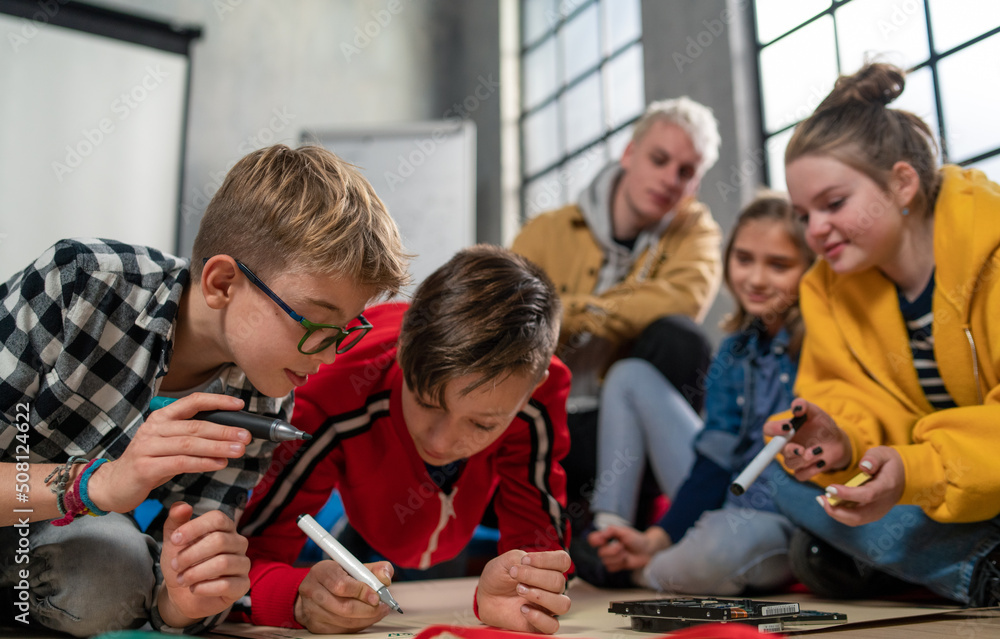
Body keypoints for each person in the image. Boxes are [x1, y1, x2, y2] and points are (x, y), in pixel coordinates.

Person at [0, 144, 409, 636]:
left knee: (111, 577)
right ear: (220, 283)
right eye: (315, 322)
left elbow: (166, 590)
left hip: (43, 549)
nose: (327, 355)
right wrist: (97, 484)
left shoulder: (263, 396)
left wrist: (186, 596)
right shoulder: (83, 284)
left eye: (345, 329)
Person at [760, 62, 1000, 607]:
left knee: (825, 546)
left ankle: (944, 564)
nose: (814, 230)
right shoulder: (827, 287)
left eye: (834, 203)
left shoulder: (993, 250)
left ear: (901, 183)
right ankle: (980, 564)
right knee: (789, 479)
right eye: (803, 214)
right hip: (950, 489)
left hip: (974, 479)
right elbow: (849, 397)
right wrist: (839, 442)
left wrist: (921, 468)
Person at [238, 245, 573, 635]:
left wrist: (526, 591)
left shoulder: (536, 394)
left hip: (447, 529)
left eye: (483, 425)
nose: (443, 443)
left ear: (533, 389)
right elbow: (248, 558)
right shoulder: (333, 389)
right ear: (402, 351)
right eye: (428, 403)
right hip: (370, 522)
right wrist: (295, 597)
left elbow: (539, 549)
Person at [577, 192, 815, 595]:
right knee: (629, 375)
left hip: (780, 518)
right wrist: (655, 537)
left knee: (719, 545)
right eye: (743, 260)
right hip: (723, 496)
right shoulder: (733, 351)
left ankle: (633, 573)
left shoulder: (820, 345)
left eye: (778, 265)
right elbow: (713, 462)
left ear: (810, 269)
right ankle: (612, 535)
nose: (755, 279)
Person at [511, 97, 723, 529]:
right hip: (553, 423)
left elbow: (682, 300)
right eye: (659, 159)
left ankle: (638, 516)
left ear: (695, 184)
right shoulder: (546, 231)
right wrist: (597, 312)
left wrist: (570, 309)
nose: (669, 179)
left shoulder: (695, 230)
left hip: (628, 424)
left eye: (685, 172)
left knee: (680, 336)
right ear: (629, 153)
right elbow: (510, 316)